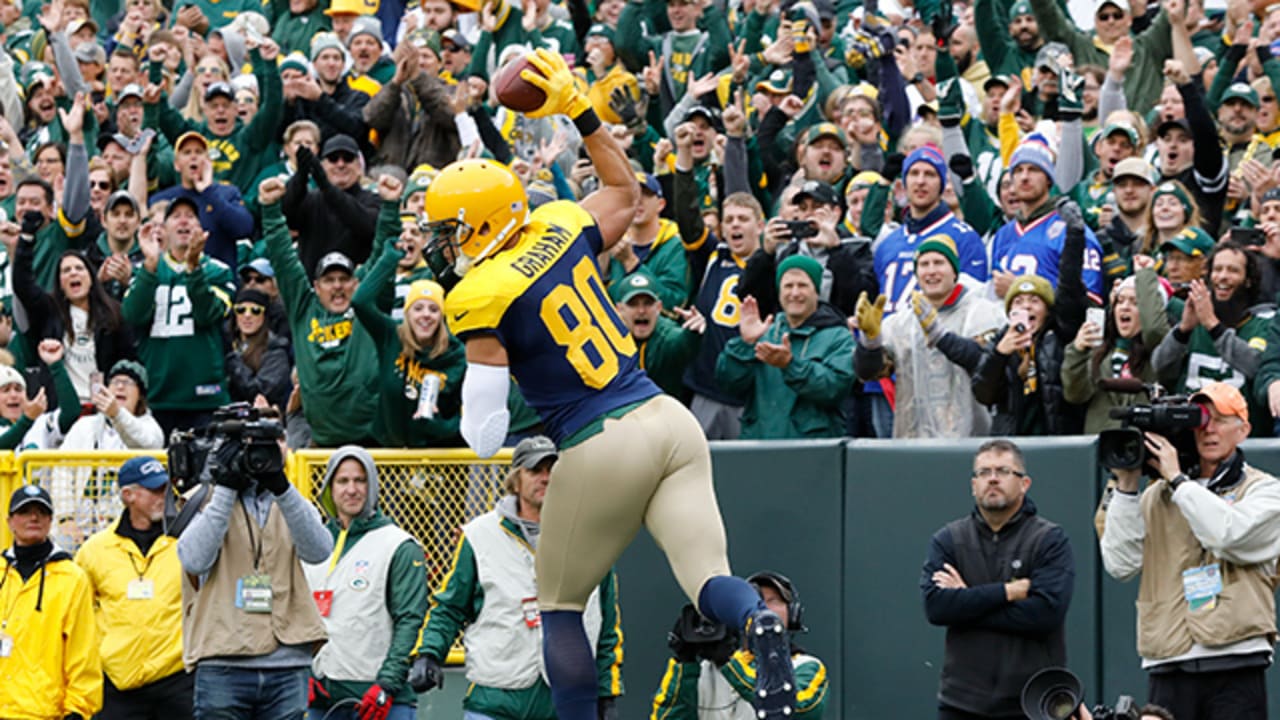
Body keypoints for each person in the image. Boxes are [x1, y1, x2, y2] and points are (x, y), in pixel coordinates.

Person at [414, 48, 796, 720]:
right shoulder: (558, 225)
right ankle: (759, 624)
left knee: (559, 603)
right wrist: (584, 112)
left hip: (598, 439)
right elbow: (625, 190)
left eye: (449, 229)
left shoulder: (479, 292)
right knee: (709, 577)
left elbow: (483, 436)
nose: (444, 243)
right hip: (666, 418)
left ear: (478, 221)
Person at [410, 436, 624, 720]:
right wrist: (429, 653)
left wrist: (607, 693)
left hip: (566, 702)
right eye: (535, 470)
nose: (546, 478)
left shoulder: (592, 536)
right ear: (516, 480)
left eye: (553, 470)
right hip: (496, 700)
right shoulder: (478, 535)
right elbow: (450, 606)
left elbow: (608, 624)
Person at [1101, 382, 1280, 720]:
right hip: (1169, 658)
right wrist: (1125, 485)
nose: (1208, 429)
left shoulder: (1265, 490)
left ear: (1244, 430)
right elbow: (1120, 564)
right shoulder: (1157, 495)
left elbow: (1228, 535)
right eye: (1200, 419)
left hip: (1236, 658)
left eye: (1221, 419)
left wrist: (1177, 479)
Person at [176, 415, 333, 720]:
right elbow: (194, 559)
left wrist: (281, 487)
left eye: (270, 445)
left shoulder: (289, 499)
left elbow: (319, 550)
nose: (256, 456)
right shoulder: (205, 498)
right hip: (224, 660)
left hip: (287, 663)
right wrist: (225, 487)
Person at [921, 439, 1076, 720]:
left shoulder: (1049, 539)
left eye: (1003, 471)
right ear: (973, 485)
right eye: (984, 472)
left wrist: (967, 602)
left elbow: (1045, 614)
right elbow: (937, 608)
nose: (992, 479)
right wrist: (1006, 592)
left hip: (1032, 702)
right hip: (961, 702)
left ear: (1024, 483)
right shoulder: (949, 540)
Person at [303, 446, 429, 720]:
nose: (352, 489)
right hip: (322, 699)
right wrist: (303, 672)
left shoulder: (398, 544)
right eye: (343, 481)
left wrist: (386, 684)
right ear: (329, 487)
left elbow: (409, 621)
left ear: (372, 486)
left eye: (360, 480)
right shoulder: (314, 544)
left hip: (381, 701)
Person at [257, 176, 379, 447]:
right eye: (329, 280)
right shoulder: (304, 309)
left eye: (344, 279)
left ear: (356, 283)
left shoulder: (367, 311)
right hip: (320, 445)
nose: (337, 287)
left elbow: (382, 250)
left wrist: (392, 208)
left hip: (374, 444)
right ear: (316, 286)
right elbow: (283, 258)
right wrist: (270, 208)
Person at [73, 457, 191, 720]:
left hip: (176, 679)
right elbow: (76, 613)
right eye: (154, 490)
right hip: (117, 682)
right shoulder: (94, 550)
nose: (164, 497)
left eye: (165, 489)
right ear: (129, 495)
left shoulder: (186, 541)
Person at [854, 236, 1005, 438]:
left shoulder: (983, 311)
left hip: (972, 440)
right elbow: (868, 374)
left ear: (954, 272)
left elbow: (985, 364)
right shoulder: (900, 322)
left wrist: (938, 334)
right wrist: (870, 343)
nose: (931, 271)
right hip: (914, 441)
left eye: (939, 263)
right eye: (924, 264)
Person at [120, 197, 234, 436]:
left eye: (191, 216)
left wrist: (194, 270)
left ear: (201, 229)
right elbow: (133, 315)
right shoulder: (146, 270)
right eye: (176, 215)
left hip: (205, 399)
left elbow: (207, 314)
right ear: (164, 229)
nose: (184, 220)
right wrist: (151, 264)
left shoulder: (218, 271)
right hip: (157, 398)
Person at [352, 210, 466, 448]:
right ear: (407, 314)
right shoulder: (391, 336)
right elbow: (360, 302)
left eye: (433, 310)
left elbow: (465, 417)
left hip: (441, 460)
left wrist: (434, 425)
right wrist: (389, 259)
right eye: (418, 308)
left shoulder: (455, 355)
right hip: (391, 456)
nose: (425, 315)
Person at [651, 571, 830, 719]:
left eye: (773, 601)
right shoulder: (705, 671)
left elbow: (798, 708)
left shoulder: (806, 667)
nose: (763, 609)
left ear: (793, 614)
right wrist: (685, 663)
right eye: (756, 601)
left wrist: (731, 663)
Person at [716, 255, 856, 439]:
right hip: (759, 444)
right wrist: (745, 344)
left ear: (817, 291)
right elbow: (728, 384)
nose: (795, 293)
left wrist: (790, 365)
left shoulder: (838, 336)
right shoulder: (764, 332)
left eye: (803, 285)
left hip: (813, 452)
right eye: (788, 286)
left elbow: (834, 388)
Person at [0, 483, 102, 719]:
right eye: (25, 511)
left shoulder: (71, 578)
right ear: (10, 521)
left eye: (41, 512)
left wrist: (78, 710)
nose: (33, 517)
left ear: (50, 520)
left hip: (43, 712)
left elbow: (83, 651)